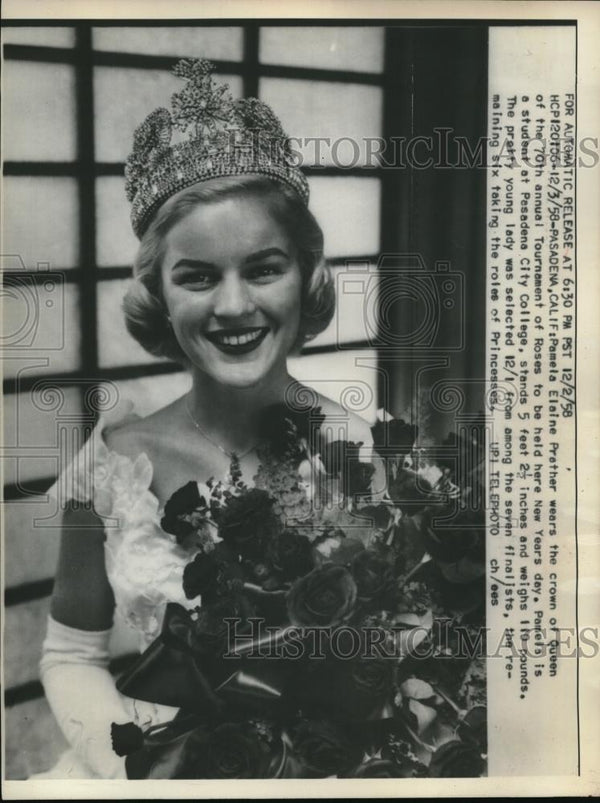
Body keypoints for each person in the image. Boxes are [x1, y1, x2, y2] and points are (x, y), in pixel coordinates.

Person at [35, 58, 384, 779]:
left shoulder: (359, 449)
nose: (232, 307)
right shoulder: (111, 465)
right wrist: (147, 771)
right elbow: (70, 654)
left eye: (263, 268)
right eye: (197, 276)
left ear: (307, 275)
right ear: (160, 295)